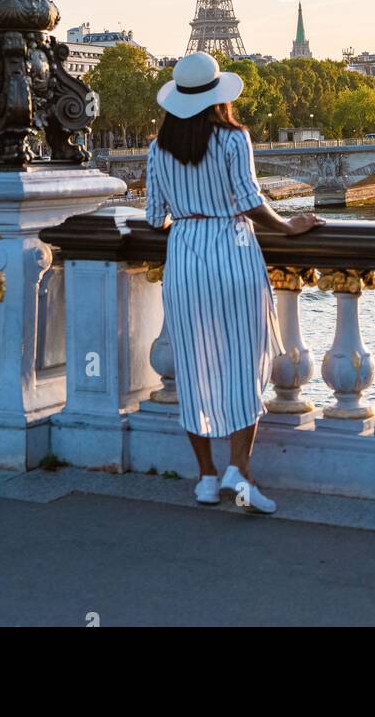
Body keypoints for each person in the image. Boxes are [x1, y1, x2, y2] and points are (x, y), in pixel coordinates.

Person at [146, 52, 323, 514]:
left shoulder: (156, 148)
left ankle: (205, 477)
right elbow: (249, 200)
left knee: (194, 365)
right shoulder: (232, 138)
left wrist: (188, 219)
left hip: (184, 257)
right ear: (219, 97)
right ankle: (238, 472)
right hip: (232, 251)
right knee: (245, 362)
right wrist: (288, 228)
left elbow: (151, 217)